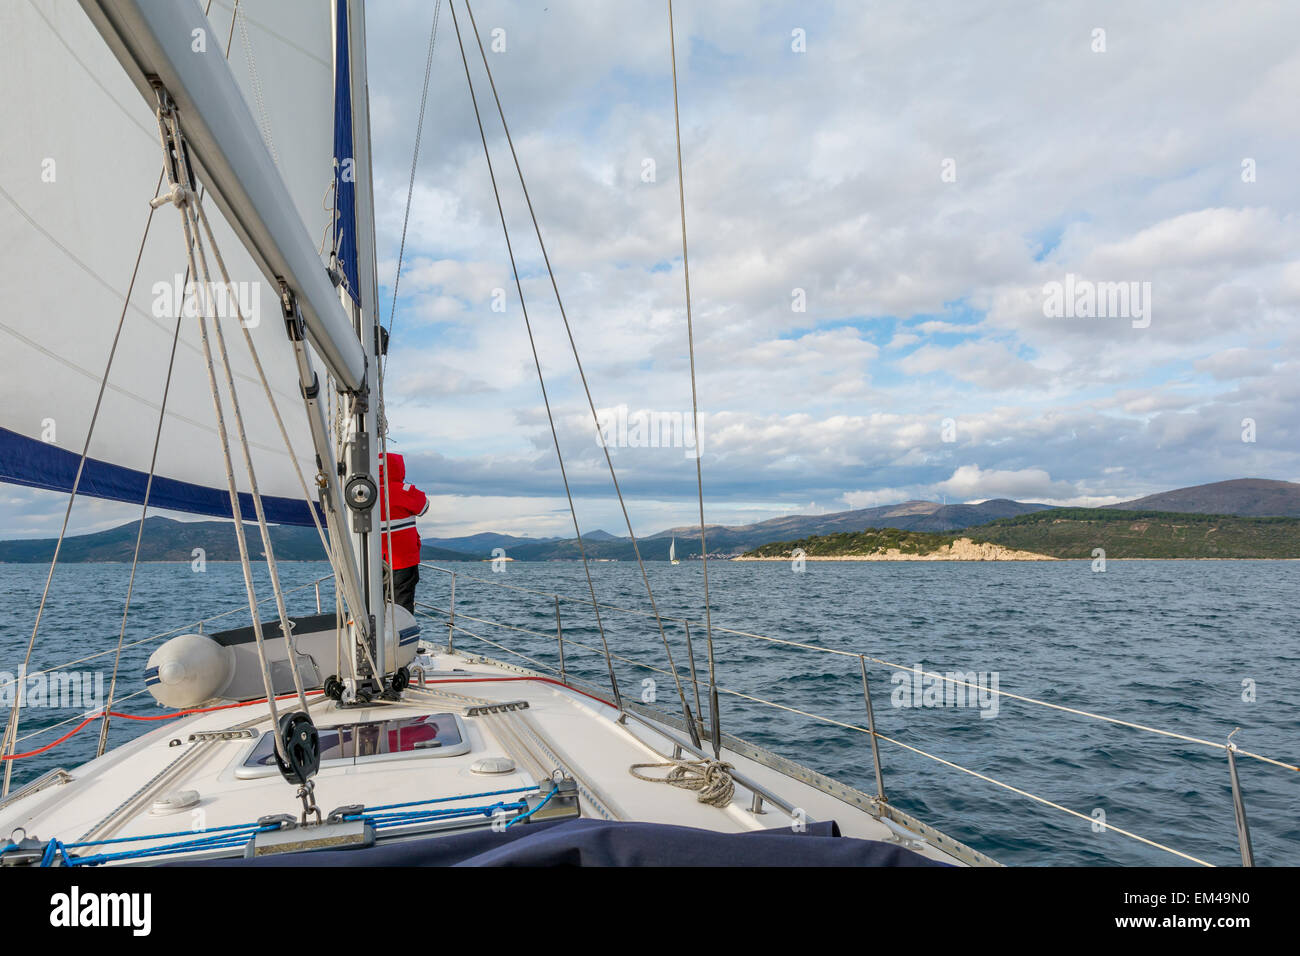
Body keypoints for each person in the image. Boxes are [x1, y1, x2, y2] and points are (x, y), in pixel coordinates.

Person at [378, 452, 428, 614]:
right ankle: (399, 635)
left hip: (371, 560)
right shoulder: (404, 491)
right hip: (403, 561)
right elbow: (424, 506)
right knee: (401, 605)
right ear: (399, 468)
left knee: (374, 602)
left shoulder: (364, 492)